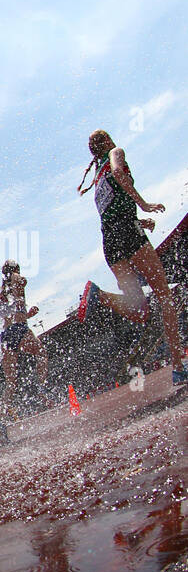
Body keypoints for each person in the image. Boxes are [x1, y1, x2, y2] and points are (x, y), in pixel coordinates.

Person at [76, 129, 187, 384]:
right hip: (128, 232)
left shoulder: (96, 177)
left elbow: (114, 209)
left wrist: (139, 221)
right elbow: (119, 174)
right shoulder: (115, 154)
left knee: (139, 309)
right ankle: (179, 365)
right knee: (165, 295)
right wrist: (144, 204)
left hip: (111, 240)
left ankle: (98, 294)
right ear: (108, 143)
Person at [0, 261, 48, 441]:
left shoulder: (0, 292)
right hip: (20, 329)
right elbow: (18, 313)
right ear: (15, 270)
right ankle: (41, 388)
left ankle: (1, 422)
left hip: (6, 335)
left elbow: (7, 313)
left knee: (11, 383)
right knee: (41, 354)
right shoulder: (16, 279)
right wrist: (21, 281)